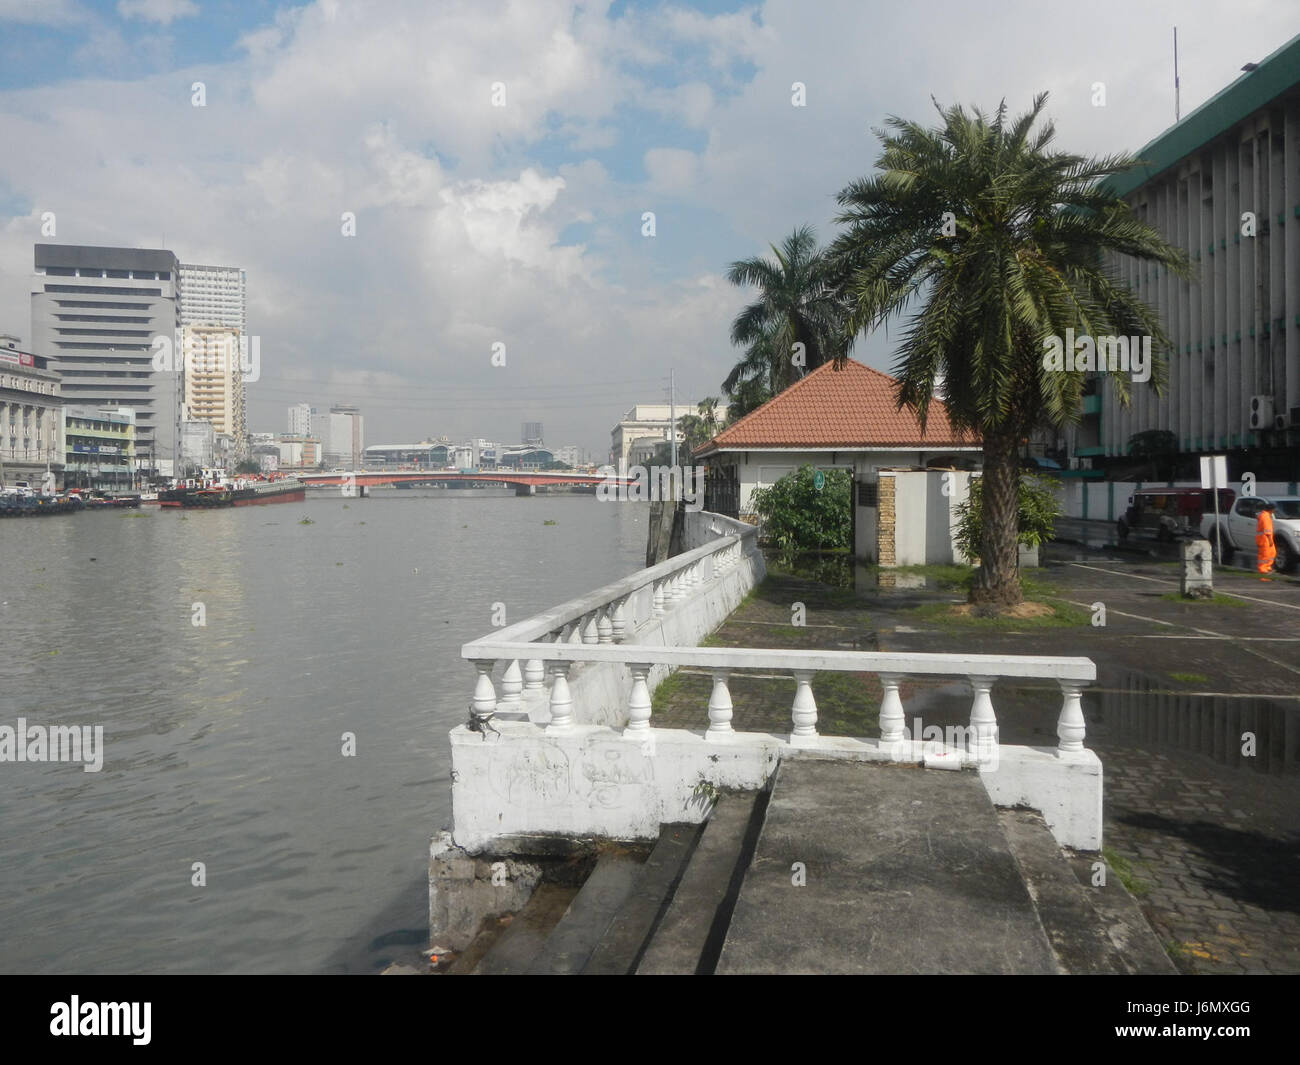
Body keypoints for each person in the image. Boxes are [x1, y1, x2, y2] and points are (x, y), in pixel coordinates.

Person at [1256, 500, 1277, 580]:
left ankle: (1267, 568)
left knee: (1272, 553)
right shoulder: (1265, 516)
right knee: (1264, 555)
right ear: (1271, 509)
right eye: (1274, 509)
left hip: (1265, 538)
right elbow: (1266, 529)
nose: (1274, 511)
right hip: (1264, 539)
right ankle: (1262, 570)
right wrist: (1269, 539)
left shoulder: (1265, 515)